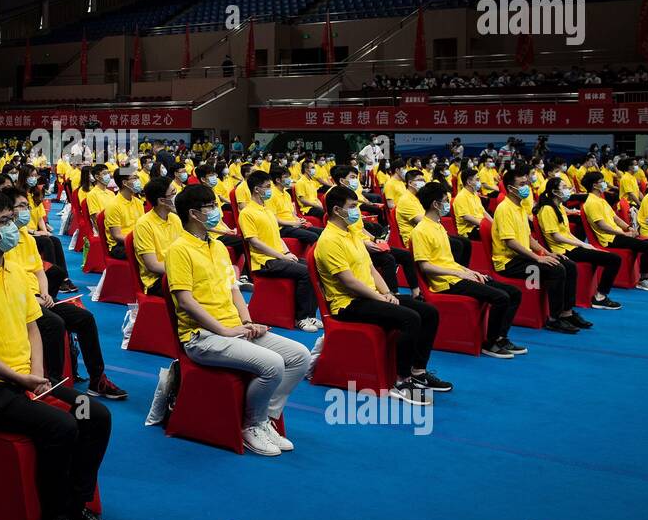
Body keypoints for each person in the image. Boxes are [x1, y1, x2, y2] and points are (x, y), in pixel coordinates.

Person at [0, 190, 120, 520]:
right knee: (62, 426)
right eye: (4, 222)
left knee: (96, 415)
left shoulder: (14, 271)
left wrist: (38, 377)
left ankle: (78, 505)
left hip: (28, 380)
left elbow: (33, 327)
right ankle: (55, 517)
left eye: (13, 219)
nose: (13, 227)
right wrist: (20, 379)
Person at [166, 184, 314, 456]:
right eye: (210, 207)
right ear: (194, 214)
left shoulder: (219, 247)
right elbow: (185, 301)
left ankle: (266, 417)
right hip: (202, 336)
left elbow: (233, 289)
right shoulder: (179, 249)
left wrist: (247, 322)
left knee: (300, 356)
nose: (216, 212)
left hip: (234, 328)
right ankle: (251, 424)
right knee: (272, 364)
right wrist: (224, 329)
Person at [313, 185, 448, 401]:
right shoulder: (329, 240)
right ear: (337, 210)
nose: (356, 211)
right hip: (348, 304)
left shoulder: (351, 234)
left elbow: (371, 269)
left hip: (369, 296)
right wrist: (381, 298)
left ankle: (418, 371)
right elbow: (349, 282)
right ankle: (401, 381)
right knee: (410, 319)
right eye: (352, 207)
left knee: (429, 312)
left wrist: (387, 293)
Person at [6, 188, 126, 399]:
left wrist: (44, 293)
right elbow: (8, 281)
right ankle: (53, 383)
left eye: (27, 206)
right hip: (20, 302)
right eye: (22, 207)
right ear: (8, 211)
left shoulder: (26, 237)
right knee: (54, 324)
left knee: (85, 318)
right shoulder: (4, 242)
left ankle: (97, 379)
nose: (27, 210)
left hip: (38, 298)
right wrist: (33, 298)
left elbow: (39, 271)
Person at [412, 182, 525, 358]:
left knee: (514, 292)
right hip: (446, 283)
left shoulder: (439, 226)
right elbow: (425, 267)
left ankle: (501, 337)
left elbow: (447, 260)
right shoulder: (420, 231)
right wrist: (458, 273)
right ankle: (490, 343)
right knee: (501, 298)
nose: (447, 204)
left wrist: (470, 271)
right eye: (445, 200)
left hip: (457, 275)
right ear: (435, 204)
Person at [491, 166, 589, 334]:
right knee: (556, 270)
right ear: (510, 188)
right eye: (522, 184)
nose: (526, 187)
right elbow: (510, 242)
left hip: (521, 256)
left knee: (568, 264)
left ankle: (567, 312)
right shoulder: (504, 208)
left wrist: (547, 253)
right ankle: (554, 318)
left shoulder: (520, 207)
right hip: (508, 262)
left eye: (526, 183)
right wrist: (537, 258)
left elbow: (529, 239)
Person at [237, 170, 320, 331]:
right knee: (305, 273)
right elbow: (254, 242)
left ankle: (310, 314)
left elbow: (277, 236)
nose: (270, 189)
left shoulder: (267, 210)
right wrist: (280, 256)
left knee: (313, 266)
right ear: (256, 189)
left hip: (279, 256)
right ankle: (300, 318)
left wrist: (287, 252)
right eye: (267, 186)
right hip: (264, 261)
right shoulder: (247, 212)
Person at [542, 172, 623, 308]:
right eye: (564, 187)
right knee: (614, 259)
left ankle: (599, 295)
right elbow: (557, 236)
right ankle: (600, 297)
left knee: (611, 257)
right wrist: (582, 244)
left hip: (571, 246)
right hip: (563, 251)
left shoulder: (559, 207)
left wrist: (584, 244)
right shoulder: (547, 209)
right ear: (555, 192)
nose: (569, 190)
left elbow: (567, 233)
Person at [133, 175, 183, 293]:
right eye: (173, 193)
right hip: (158, 279)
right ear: (161, 200)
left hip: (177, 269)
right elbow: (153, 265)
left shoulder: (174, 218)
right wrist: (183, 270)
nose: (177, 197)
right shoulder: (144, 225)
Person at [102, 167, 143, 259]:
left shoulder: (138, 202)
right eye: (135, 178)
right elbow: (117, 235)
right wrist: (138, 241)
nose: (138, 181)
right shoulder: (113, 205)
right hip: (119, 245)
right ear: (124, 183)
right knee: (148, 252)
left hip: (137, 239)